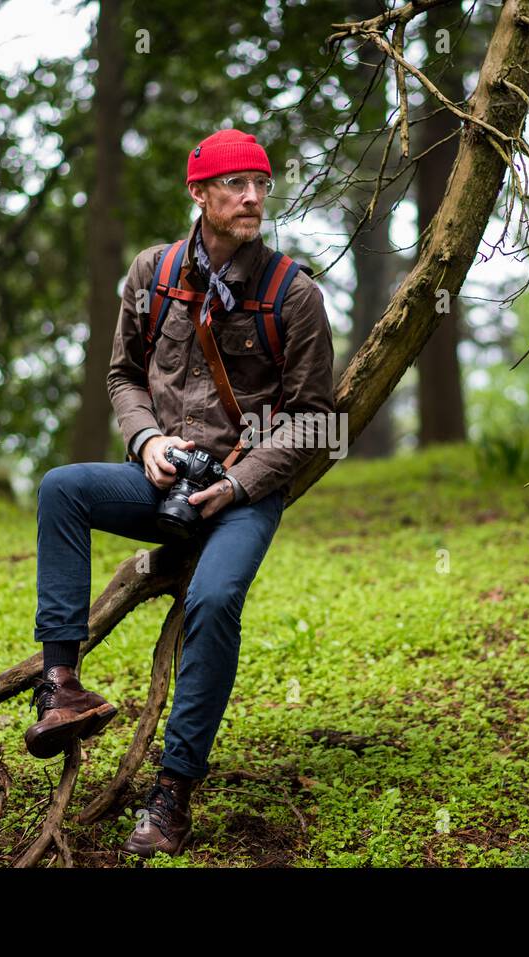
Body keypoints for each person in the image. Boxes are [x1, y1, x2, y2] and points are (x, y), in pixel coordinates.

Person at [28, 128, 335, 857]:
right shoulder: (151, 272)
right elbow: (121, 376)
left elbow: (318, 417)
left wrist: (239, 482)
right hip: (160, 478)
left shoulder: (294, 293)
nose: (253, 196)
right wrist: (147, 442)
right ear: (199, 193)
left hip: (245, 488)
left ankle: (173, 790)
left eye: (261, 182)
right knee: (61, 489)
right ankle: (62, 684)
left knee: (215, 598)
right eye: (235, 184)